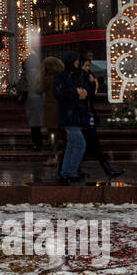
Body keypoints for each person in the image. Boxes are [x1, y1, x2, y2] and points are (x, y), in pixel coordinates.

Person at [79, 50, 121, 179]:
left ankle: (108, 170)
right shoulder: (80, 78)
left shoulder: (86, 77)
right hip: (82, 117)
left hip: (87, 116)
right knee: (83, 145)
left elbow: (90, 97)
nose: (87, 68)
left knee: (88, 145)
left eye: (88, 66)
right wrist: (91, 84)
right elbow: (87, 96)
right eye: (85, 66)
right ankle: (107, 169)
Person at [54, 52, 89, 183]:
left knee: (72, 144)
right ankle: (71, 171)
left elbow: (84, 91)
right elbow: (58, 93)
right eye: (75, 61)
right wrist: (75, 92)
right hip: (68, 114)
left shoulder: (76, 76)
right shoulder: (62, 76)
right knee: (79, 143)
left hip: (74, 114)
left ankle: (66, 171)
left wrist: (83, 92)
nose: (77, 63)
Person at [36, 56, 64, 166]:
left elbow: (38, 90)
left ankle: (53, 156)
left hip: (51, 110)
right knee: (63, 134)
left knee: (52, 135)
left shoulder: (47, 79)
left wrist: (40, 76)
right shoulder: (62, 77)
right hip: (62, 108)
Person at [16, 57, 43, 150]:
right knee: (37, 124)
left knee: (34, 125)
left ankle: (37, 144)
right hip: (38, 100)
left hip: (31, 101)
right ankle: (38, 143)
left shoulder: (26, 73)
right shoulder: (39, 73)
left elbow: (21, 86)